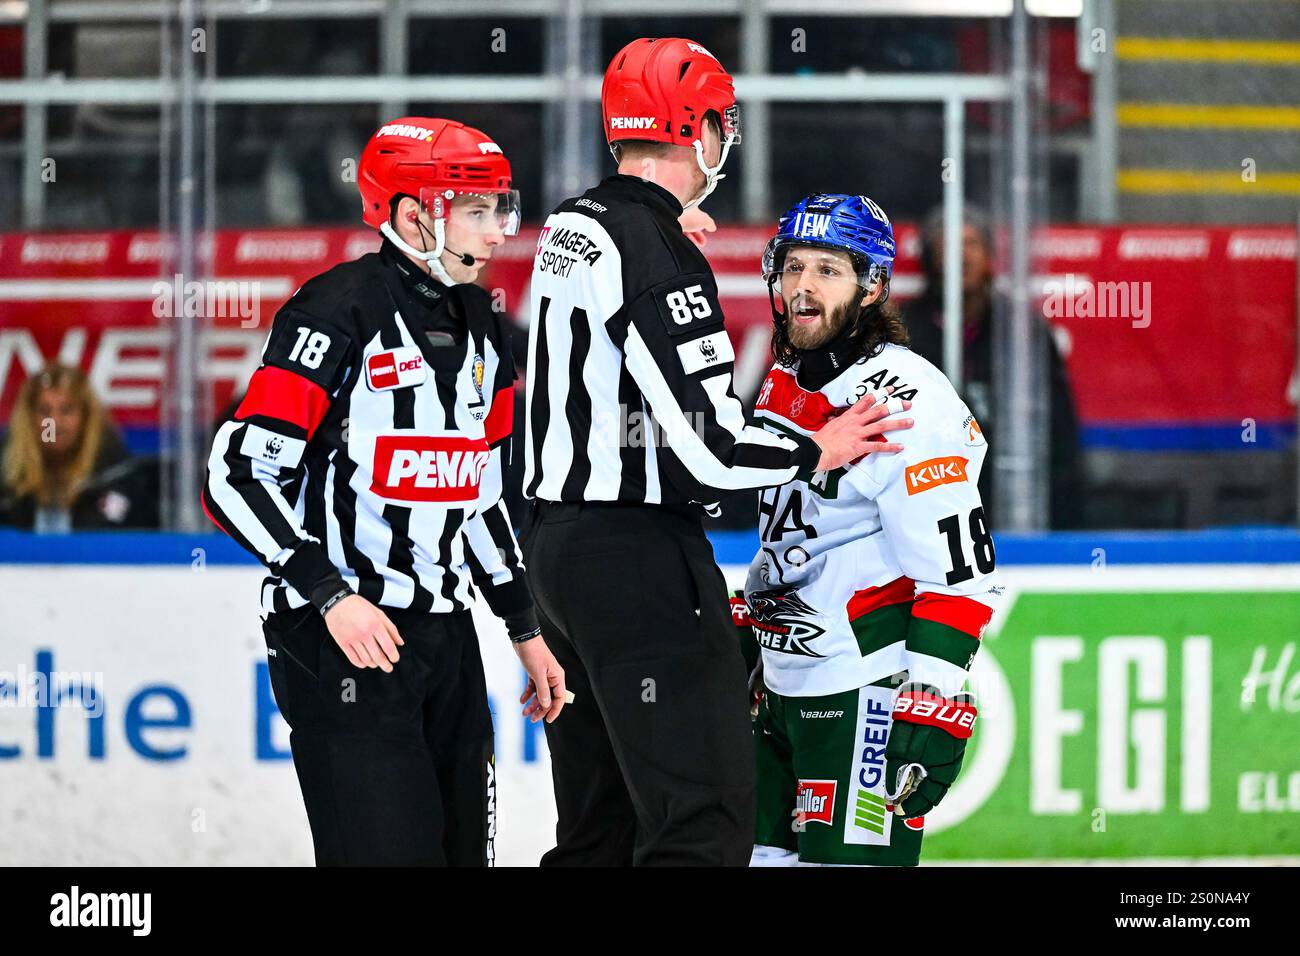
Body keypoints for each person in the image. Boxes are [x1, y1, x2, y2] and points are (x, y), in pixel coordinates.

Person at [522, 37, 907, 867]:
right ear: (695, 130)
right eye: (722, 123)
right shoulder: (654, 253)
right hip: (637, 562)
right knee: (704, 819)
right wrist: (818, 447)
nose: (726, 140)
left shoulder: (573, 225)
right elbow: (711, 447)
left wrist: (663, 232)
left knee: (603, 827)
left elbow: (613, 296)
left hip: (557, 554)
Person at [202, 116, 567, 866]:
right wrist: (331, 595)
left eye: (503, 206)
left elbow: (482, 496)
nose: (500, 231)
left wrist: (525, 630)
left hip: (445, 639)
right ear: (411, 214)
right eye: (477, 210)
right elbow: (235, 473)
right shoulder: (337, 312)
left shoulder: (487, 330)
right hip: (342, 640)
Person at [742, 193, 1001, 867]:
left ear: (873, 285)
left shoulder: (908, 399)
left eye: (828, 270)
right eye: (793, 266)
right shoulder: (782, 380)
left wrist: (934, 692)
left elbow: (960, 569)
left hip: (862, 695)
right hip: (779, 689)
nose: (802, 286)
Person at [903, 204, 1081, 528]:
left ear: (988, 257)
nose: (962, 256)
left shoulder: (1021, 329)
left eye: (971, 244)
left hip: (1009, 506)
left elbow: (1059, 427)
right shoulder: (903, 331)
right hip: (925, 503)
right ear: (931, 259)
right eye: (949, 245)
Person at [0, 363, 154, 530]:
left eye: (66, 410)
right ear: (29, 419)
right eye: (44, 411)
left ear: (87, 418)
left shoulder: (116, 474)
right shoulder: (7, 480)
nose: (55, 423)